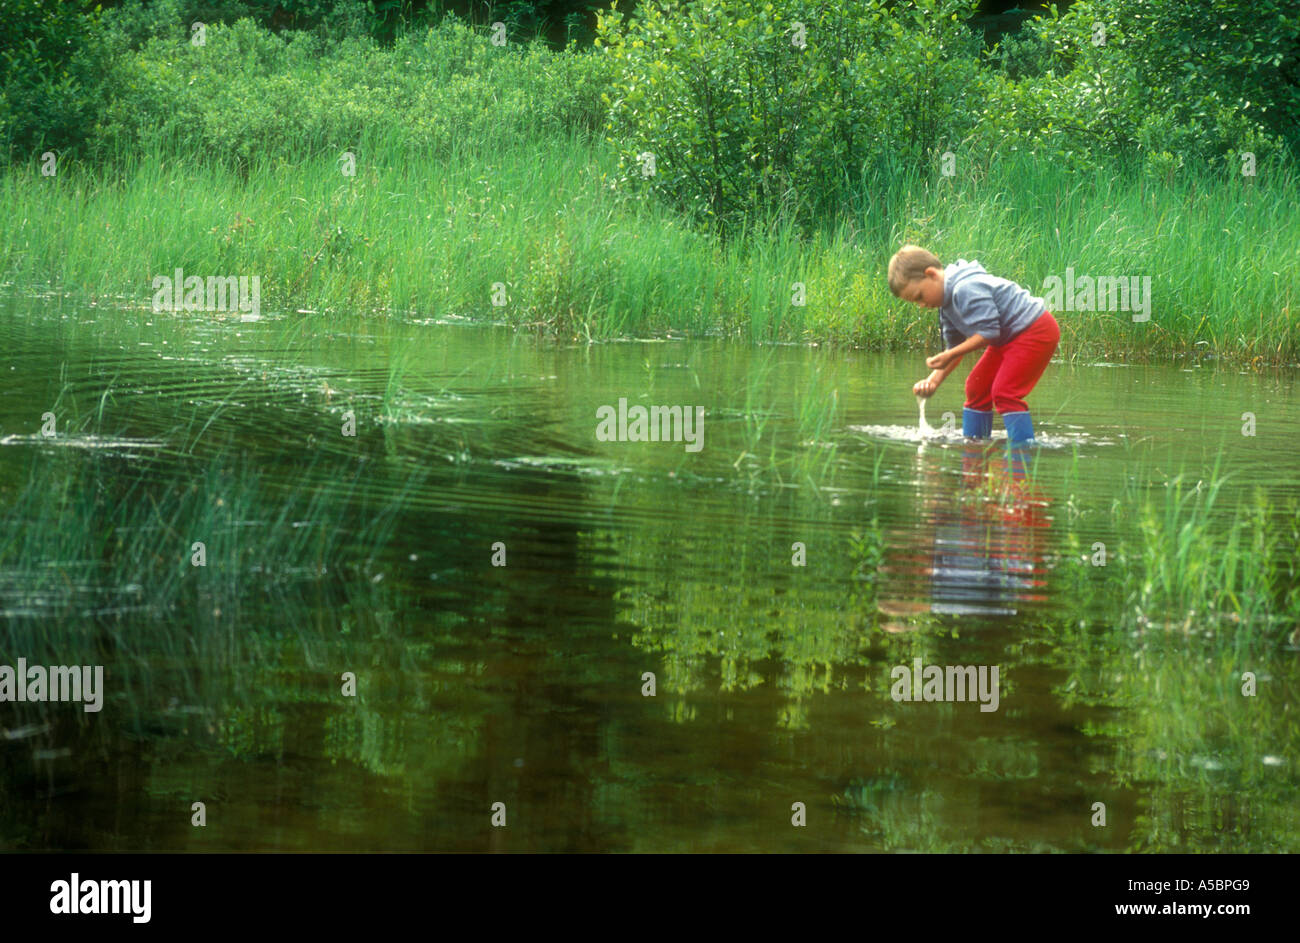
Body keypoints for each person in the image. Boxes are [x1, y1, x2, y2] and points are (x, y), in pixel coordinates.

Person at [887, 245, 1060, 443]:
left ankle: (1022, 453)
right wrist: (933, 381)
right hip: (1007, 338)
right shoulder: (945, 306)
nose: (922, 305)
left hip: (1034, 329)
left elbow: (987, 333)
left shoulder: (965, 289)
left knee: (1004, 392)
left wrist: (950, 355)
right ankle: (975, 449)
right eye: (916, 302)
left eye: (919, 296)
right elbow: (955, 349)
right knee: (976, 387)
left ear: (931, 274)